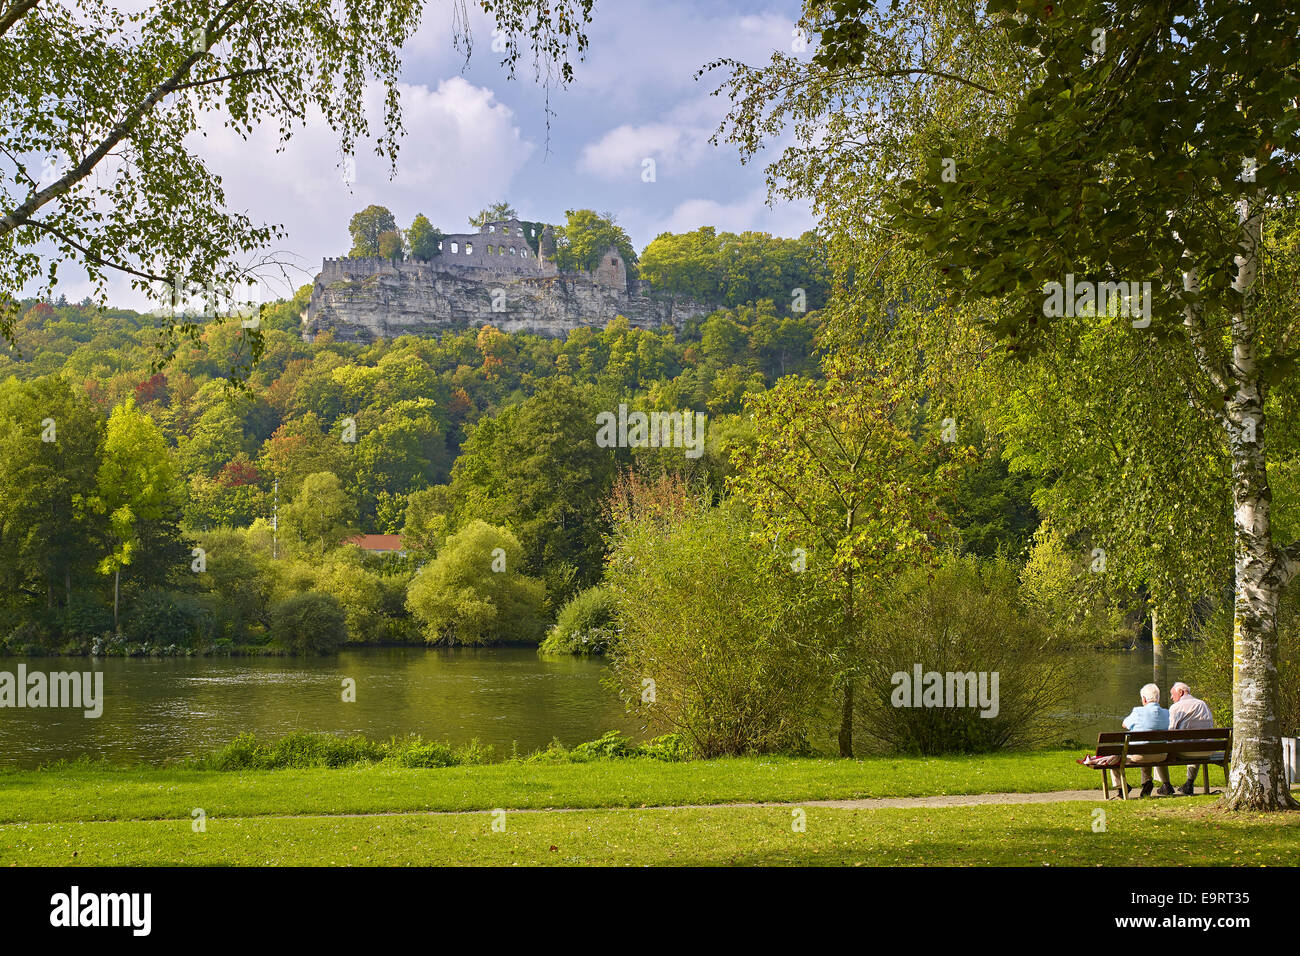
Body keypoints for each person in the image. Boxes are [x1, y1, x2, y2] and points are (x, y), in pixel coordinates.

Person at [1110, 683, 1172, 798]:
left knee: (1114, 757)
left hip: (1141, 756)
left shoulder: (1138, 712)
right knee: (1147, 747)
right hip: (1161, 755)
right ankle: (1147, 782)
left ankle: (1121, 786)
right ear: (1158, 698)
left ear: (1144, 699)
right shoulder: (1167, 713)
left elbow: (1124, 724)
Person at [1168, 681, 1215, 796]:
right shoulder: (1202, 704)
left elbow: (1170, 732)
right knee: (1196, 744)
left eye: (1172, 694)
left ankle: (1166, 785)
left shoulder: (1176, 707)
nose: (1171, 698)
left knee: (1160, 749)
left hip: (1186, 751)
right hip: (1206, 750)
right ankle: (1189, 783)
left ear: (1181, 692)